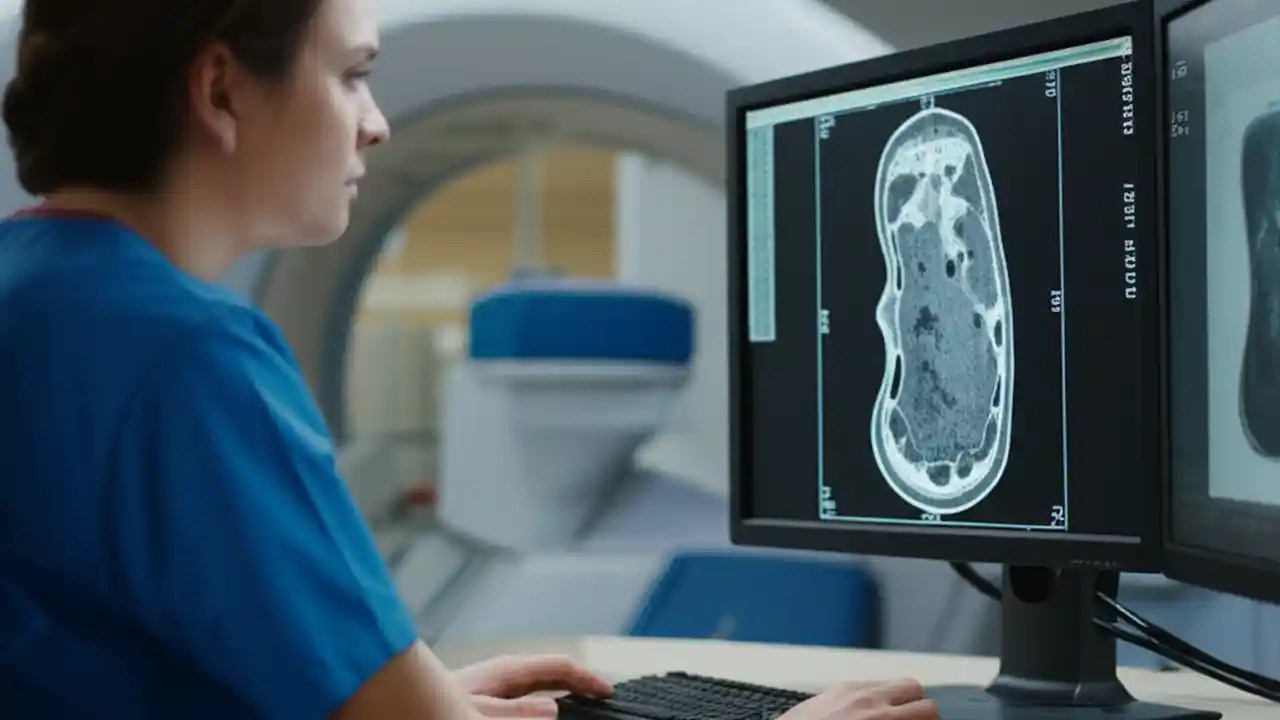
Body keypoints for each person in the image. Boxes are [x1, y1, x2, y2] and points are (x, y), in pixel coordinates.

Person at [0, 0, 941, 718]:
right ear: (221, 91)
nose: (375, 123)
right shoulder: (190, 354)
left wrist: (428, 698)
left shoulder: (30, 290)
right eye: (351, 74)